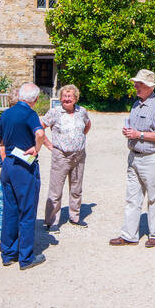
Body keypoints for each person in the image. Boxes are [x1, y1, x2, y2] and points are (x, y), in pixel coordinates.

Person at [0, 82, 48, 270]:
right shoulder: (30, 114)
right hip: (24, 165)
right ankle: (26, 257)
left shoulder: (6, 113)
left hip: (8, 165)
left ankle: (8, 253)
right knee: (27, 210)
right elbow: (40, 133)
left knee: (10, 209)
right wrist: (36, 148)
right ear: (36, 99)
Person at [110, 70, 155, 248]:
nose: (136, 86)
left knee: (154, 197)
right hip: (134, 157)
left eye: (140, 84)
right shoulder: (136, 104)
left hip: (152, 158)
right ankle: (129, 235)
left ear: (150, 87)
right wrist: (129, 133)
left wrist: (139, 134)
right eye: (136, 83)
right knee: (132, 198)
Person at [41, 84, 92, 232]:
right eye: (64, 96)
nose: (66, 99)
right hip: (61, 156)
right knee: (55, 190)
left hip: (79, 155)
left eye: (70, 96)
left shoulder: (82, 111)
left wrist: (78, 140)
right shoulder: (54, 112)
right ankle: (51, 221)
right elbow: (39, 127)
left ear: (76, 98)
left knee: (76, 188)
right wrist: (49, 145)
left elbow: (87, 125)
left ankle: (75, 216)